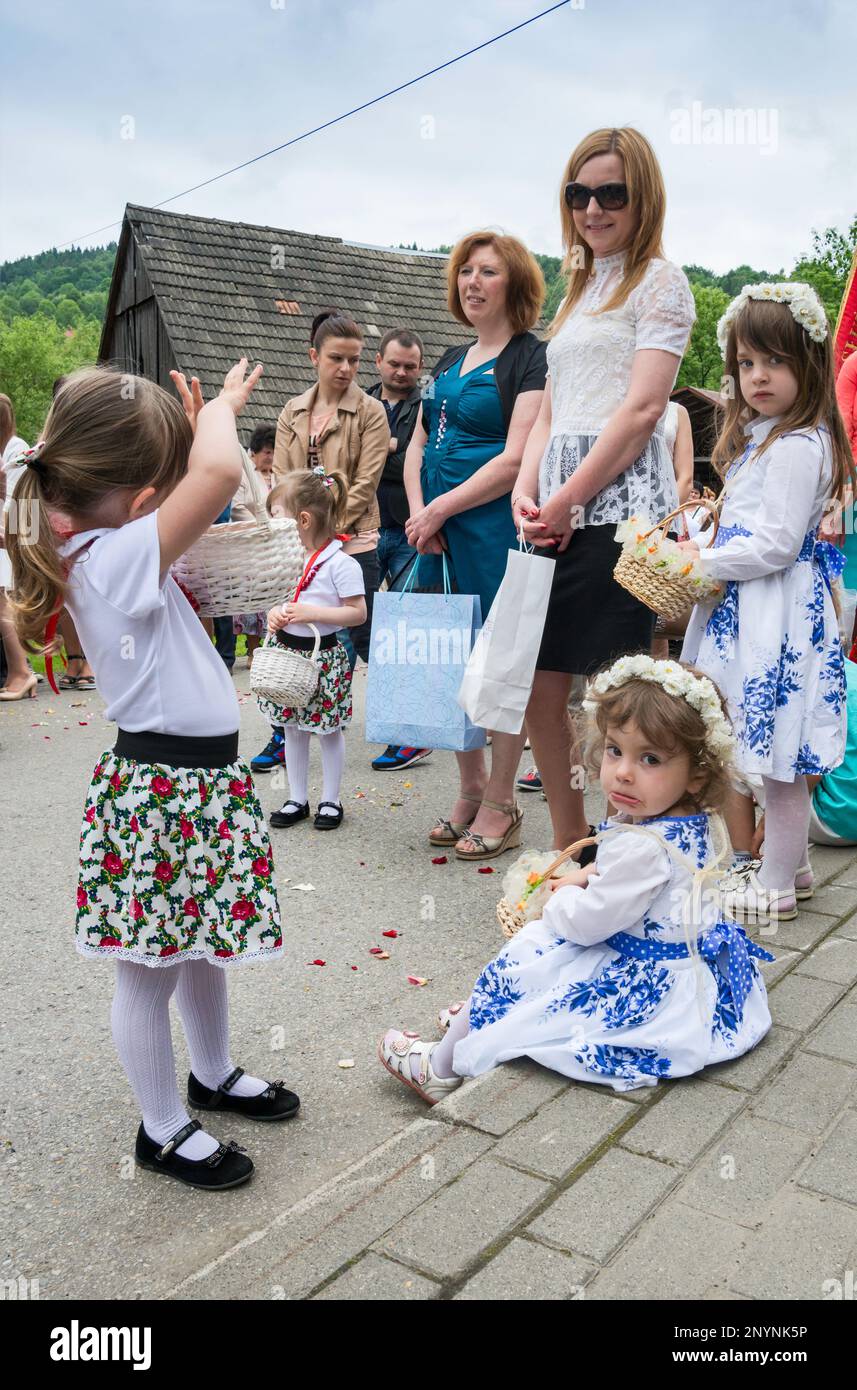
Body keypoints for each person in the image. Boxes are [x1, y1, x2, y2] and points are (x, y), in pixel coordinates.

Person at [6, 359, 299, 1192]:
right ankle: (162, 1127)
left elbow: (205, 486)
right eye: (162, 481)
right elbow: (211, 474)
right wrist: (221, 418)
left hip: (196, 785)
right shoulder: (108, 558)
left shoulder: (118, 546)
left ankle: (210, 1072)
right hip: (162, 790)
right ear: (142, 494)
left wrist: (188, 433)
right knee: (147, 966)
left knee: (200, 945)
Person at [378, 658, 773, 1100]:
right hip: (687, 964)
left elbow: (590, 922)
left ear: (697, 773)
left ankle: (441, 1066)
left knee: (529, 951)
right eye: (614, 750)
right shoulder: (690, 820)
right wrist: (588, 872)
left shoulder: (642, 845)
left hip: (647, 985)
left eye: (650, 759)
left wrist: (555, 903)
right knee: (543, 957)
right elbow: (645, 884)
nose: (624, 771)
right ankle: (488, 1016)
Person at [514, 126, 696, 854]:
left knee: (614, 695)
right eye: (577, 193)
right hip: (552, 511)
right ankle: (572, 848)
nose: (592, 207)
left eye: (610, 192)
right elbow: (551, 408)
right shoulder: (580, 285)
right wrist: (526, 493)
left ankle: (633, 851)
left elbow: (644, 408)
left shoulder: (659, 280)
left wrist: (568, 500)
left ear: (641, 196)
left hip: (619, 516)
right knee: (536, 684)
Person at [680, 281, 853, 925]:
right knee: (762, 740)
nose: (757, 376)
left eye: (774, 362)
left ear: (805, 364)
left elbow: (778, 544)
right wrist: (704, 538)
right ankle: (797, 865)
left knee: (778, 752)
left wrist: (706, 562)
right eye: (746, 364)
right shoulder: (766, 438)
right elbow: (746, 525)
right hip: (753, 606)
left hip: (775, 609)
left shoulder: (800, 445)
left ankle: (777, 881)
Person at [404, 231, 548, 859]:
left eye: (487, 271)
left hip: (493, 527)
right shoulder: (444, 359)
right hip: (437, 530)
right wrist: (421, 517)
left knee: (499, 661)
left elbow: (517, 457)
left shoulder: (529, 358)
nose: (471, 281)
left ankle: (502, 801)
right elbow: (414, 446)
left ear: (514, 283)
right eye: (464, 270)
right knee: (449, 657)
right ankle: (469, 788)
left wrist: (443, 506)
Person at [258, 469, 366, 830]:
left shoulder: (341, 563)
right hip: (289, 657)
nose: (272, 526)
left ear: (303, 520)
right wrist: (276, 613)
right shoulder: (289, 559)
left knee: (328, 730)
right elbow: (279, 600)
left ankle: (331, 800)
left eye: (277, 517)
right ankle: (297, 797)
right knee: (292, 728)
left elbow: (357, 612)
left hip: (324, 659)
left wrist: (312, 613)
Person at [366, 328, 433, 774]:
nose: (403, 372)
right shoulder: (360, 401)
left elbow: (422, 457)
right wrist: (393, 448)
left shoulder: (428, 405)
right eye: (395, 364)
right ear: (378, 361)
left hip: (410, 530)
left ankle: (410, 736)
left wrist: (387, 449)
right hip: (365, 532)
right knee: (367, 630)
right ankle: (391, 717)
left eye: (411, 366)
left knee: (410, 633)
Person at [231, 425, 277, 672]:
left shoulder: (279, 475)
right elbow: (238, 507)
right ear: (255, 452)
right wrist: (262, 525)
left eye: (273, 452)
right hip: (252, 545)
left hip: (276, 546)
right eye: (266, 452)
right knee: (253, 601)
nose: (270, 457)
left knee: (275, 598)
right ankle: (251, 650)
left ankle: (272, 647)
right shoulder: (244, 474)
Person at [0, 394, 37, 700]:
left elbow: (20, 506)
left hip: (14, 536)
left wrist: (8, 540)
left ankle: (21, 672)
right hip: (11, 534)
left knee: (4, 605)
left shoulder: (17, 452)